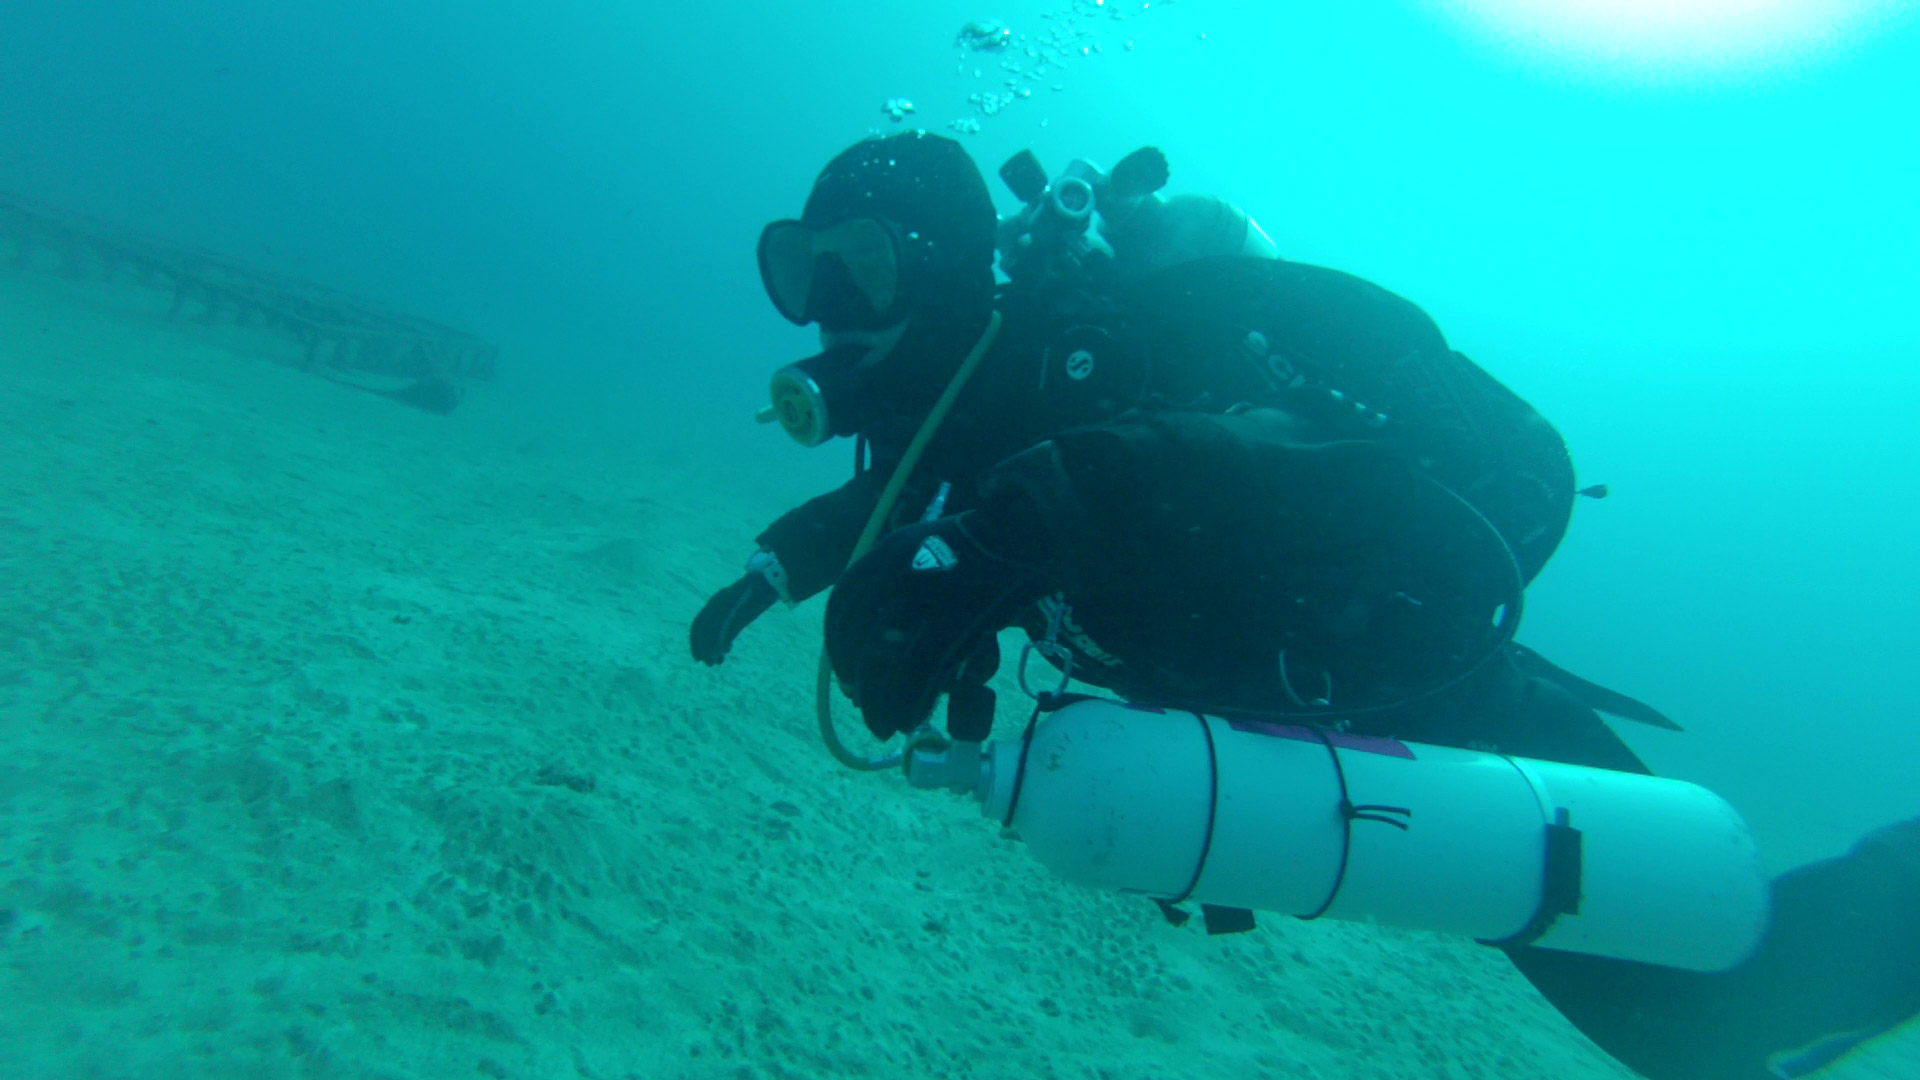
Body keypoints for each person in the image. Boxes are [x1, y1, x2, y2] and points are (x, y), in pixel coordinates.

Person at [690, 131, 1918, 1080]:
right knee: (1689, 1013)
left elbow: (1248, 457)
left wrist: (1023, 522)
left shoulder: (1117, 353)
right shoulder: (971, 411)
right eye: (803, 272)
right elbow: (907, 502)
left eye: (865, 267)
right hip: (1308, 728)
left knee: (1712, 997)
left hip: (1422, 685)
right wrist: (773, 570)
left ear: (950, 268)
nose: (831, 315)